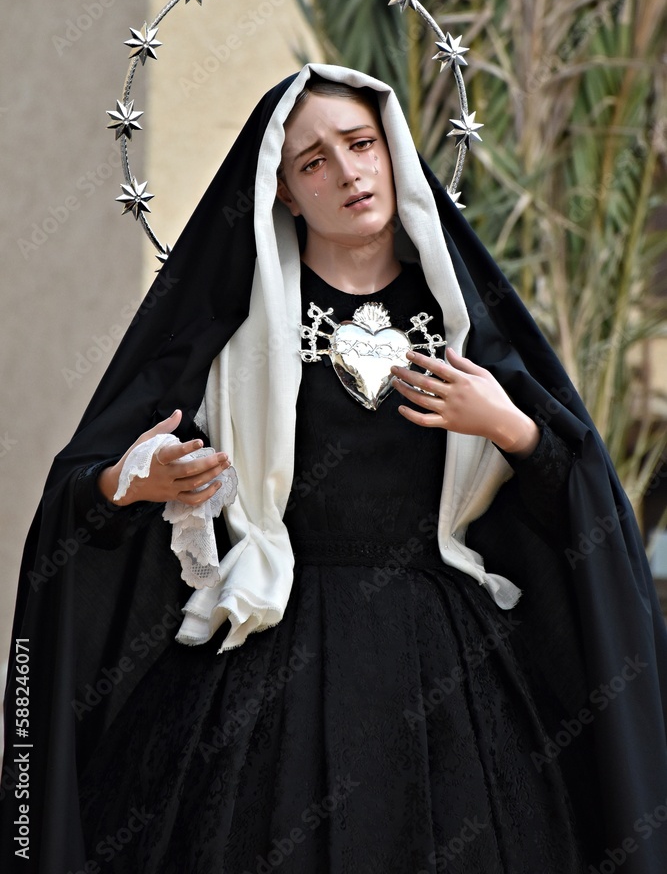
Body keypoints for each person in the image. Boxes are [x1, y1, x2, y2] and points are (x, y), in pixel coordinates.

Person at [1, 64, 666, 873]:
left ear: (395, 155)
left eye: (361, 144)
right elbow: (90, 490)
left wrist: (511, 429)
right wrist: (132, 483)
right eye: (313, 161)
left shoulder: (463, 322)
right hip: (266, 655)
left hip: (449, 668)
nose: (348, 172)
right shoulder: (228, 331)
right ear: (281, 191)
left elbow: (581, 503)